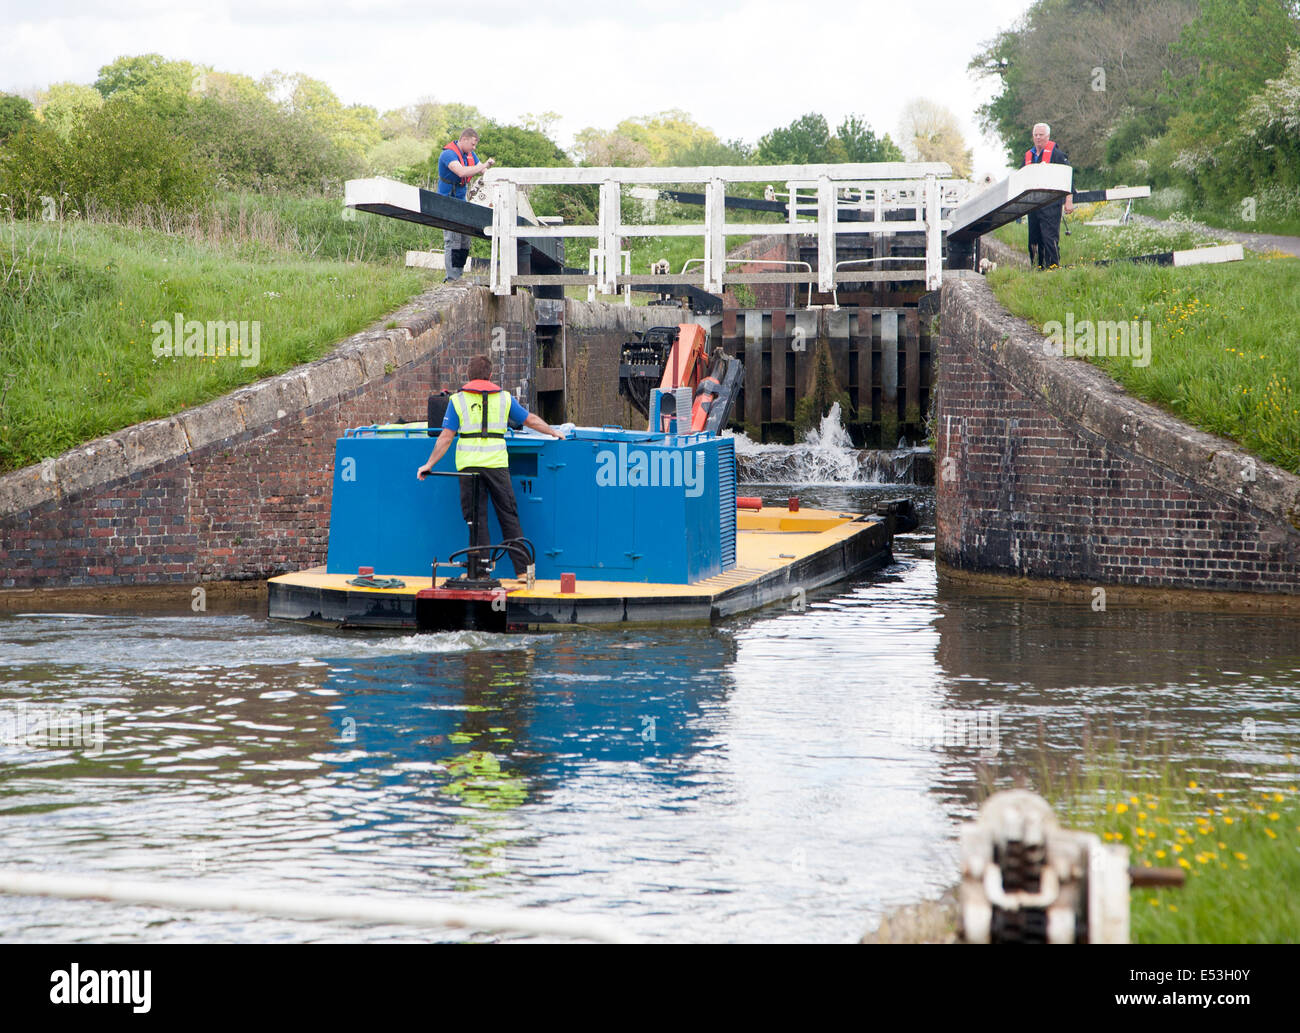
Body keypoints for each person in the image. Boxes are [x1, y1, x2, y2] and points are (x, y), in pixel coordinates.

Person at [416, 354, 563, 580]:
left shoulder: (457, 400)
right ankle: (523, 571)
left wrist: (429, 464)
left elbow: (445, 437)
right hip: (497, 465)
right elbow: (529, 419)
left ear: (468, 374)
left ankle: (479, 573)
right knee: (508, 515)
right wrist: (553, 431)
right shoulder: (504, 398)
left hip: (469, 467)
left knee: (476, 519)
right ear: (491, 375)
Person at [436, 128, 495, 282]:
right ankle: (451, 278)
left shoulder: (470, 155)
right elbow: (461, 172)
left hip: (461, 201)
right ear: (464, 139)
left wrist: (489, 169)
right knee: (452, 239)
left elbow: (482, 171)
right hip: (447, 201)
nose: (474, 148)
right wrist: (484, 165)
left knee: (465, 239)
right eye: (473, 144)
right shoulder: (448, 154)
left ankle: (459, 275)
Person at [1024, 123, 1074, 270]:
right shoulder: (1029, 156)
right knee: (1033, 239)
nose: (1038, 137)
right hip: (1033, 205)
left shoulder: (1057, 155)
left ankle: (1053, 268)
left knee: (1049, 237)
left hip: (1051, 204)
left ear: (1048, 136)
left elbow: (1068, 177)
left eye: (1041, 135)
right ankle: (1037, 268)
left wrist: (1069, 200)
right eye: (1036, 135)